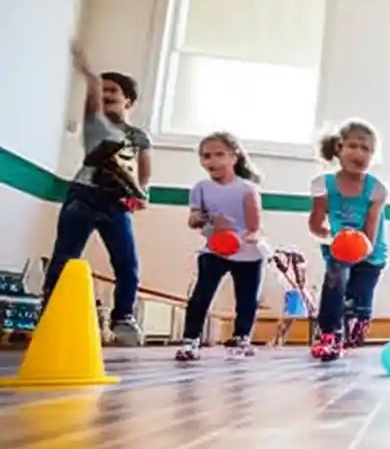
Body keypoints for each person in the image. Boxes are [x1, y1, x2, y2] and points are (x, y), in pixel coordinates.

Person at [44, 43, 152, 346]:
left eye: (112, 92)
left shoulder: (139, 137)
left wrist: (141, 195)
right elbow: (92, 96)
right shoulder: (94, 123)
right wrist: (89, 74)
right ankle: (52, 311)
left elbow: (144, 172)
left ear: (128, 101)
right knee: (65, 256)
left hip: (116, 202)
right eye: (100, 92)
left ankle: (123, 317)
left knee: (127, 263)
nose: (104, 97)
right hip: (84, 195)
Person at [175, 133, 265, 360]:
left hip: (247, 253)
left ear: (234, 158)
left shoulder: (247, 189)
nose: (212, 161)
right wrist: (202, 219)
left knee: (246, 298)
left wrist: (251, 237)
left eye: (219, 155)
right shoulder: (201, 188)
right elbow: (193, 219)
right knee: (201, 295)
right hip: (215, 249)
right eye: (206, 156)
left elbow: (254, 226)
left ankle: (242, 338)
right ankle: (190, 340)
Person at [308, 120, 390, 361]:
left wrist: (361, 247)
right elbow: (315, 222)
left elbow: (371, 227)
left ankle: (358, 319)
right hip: (339, 248)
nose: (360, 153)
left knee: (357, 301)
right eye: (353, 146)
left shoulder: (377, 189)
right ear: (338, 149)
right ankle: (329, 335)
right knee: (335, 285)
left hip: (370, 251)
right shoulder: (324, 184)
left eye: (367, 149)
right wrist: (328, 238)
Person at [267, 247, 313, 347]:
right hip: (292, 291)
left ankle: (278, 339)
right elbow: (292, 279)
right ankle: (277, 339)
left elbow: (299, 279)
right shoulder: (283, 267)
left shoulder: (296, 263)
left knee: (289, 318)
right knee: (287, 318)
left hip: (295, 290)